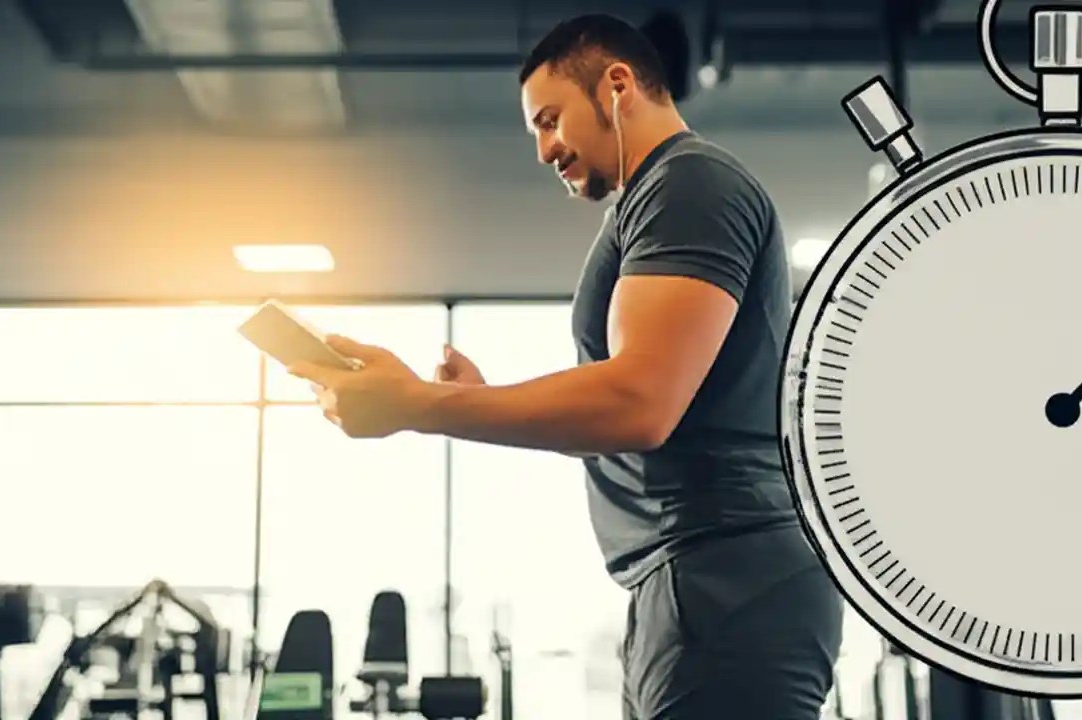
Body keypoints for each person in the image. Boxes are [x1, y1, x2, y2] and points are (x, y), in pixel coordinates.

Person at [288, 13, 844, 720]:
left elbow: (638, 405)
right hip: (696, 580)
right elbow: (633, 412)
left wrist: (415, 407)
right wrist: (451, 403)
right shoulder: (658, 201)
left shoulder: (689, 188)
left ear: (617, 86)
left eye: (551, 120)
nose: (547, 149)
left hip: (726, 576)